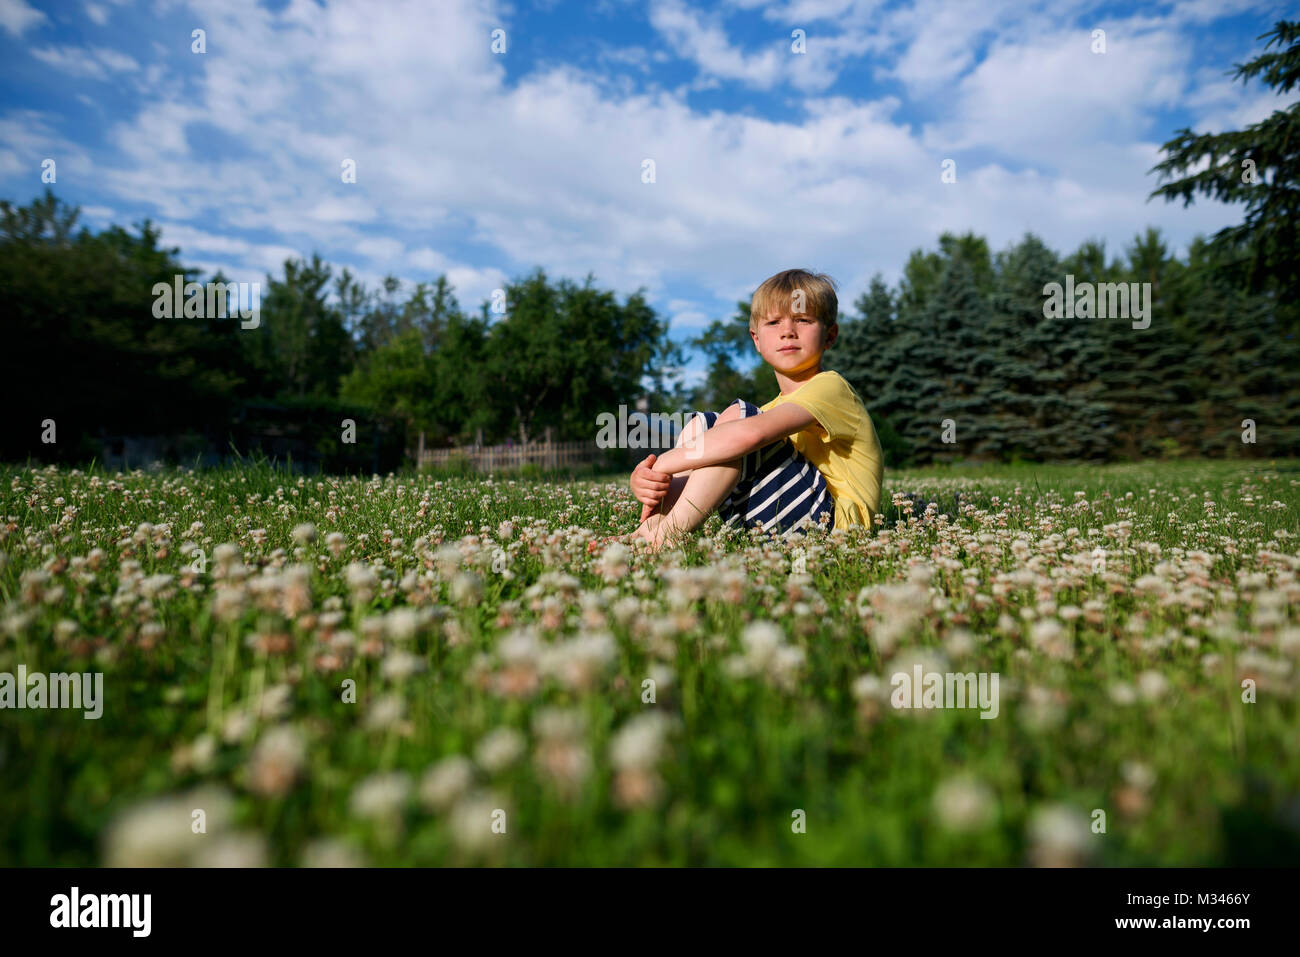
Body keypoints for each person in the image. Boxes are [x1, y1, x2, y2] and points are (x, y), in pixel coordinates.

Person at [618, 268, 884, 551]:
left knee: (738, 421)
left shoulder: (831, 388)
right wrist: (650, 480)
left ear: (830, 335)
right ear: (756, 339)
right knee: (706, 424)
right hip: (777, 523)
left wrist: (665, 463)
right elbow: (724, 444)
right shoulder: (772, 410)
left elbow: (749, 435)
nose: (787, 332)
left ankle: (666, 537)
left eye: (803, 320)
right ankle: (649, 530)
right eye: (773, 322)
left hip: (834, 531)